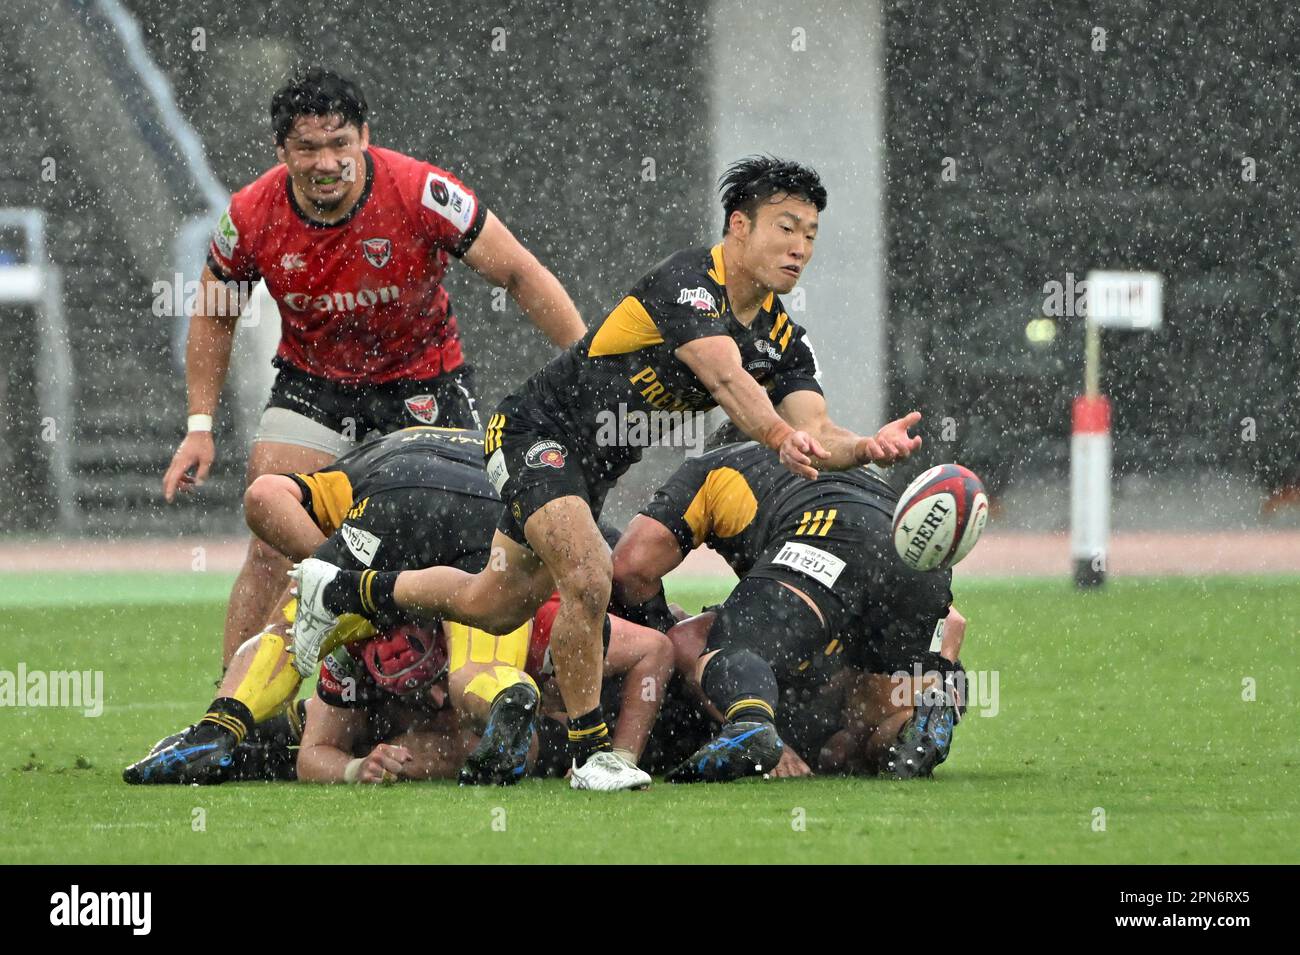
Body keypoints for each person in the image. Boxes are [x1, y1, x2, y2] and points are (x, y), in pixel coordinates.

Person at [287, 156, 923, 793]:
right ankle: (592, 755)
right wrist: (783, 437)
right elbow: (728, 379)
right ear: (739, 225)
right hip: (535, 432)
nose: (801, 248)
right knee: (589, 573)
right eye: (787, 227)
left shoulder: (785, 339)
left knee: (495, 604)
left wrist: (867, 446)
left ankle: (341, 592)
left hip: (589, 469)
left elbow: (819, 430)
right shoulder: (689, 285)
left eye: (811, 234)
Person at [162, 67, 585, 666]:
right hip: (315, 386)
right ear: (282, 150)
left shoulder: (419, 190)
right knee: (267, 542)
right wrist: (199, 425)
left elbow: (519, 272)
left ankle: (446, 684)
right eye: (307, 147)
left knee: (469, 539)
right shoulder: (252, 214)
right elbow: (213, 314)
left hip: (425, 383)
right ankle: (236, 715)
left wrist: (588, 367)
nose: (326, 161)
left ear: (364, 136)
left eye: (340, 143)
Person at [607, 438, 963, 781]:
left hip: (824, 543)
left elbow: (630, 567)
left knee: (725, 645)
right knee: (862, 735)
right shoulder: (859, 471)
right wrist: (941, 665)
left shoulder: (720, 464)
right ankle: (922, 713)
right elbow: (952, 622)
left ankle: (753, 725)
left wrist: (653, 626)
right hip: (916, 573)